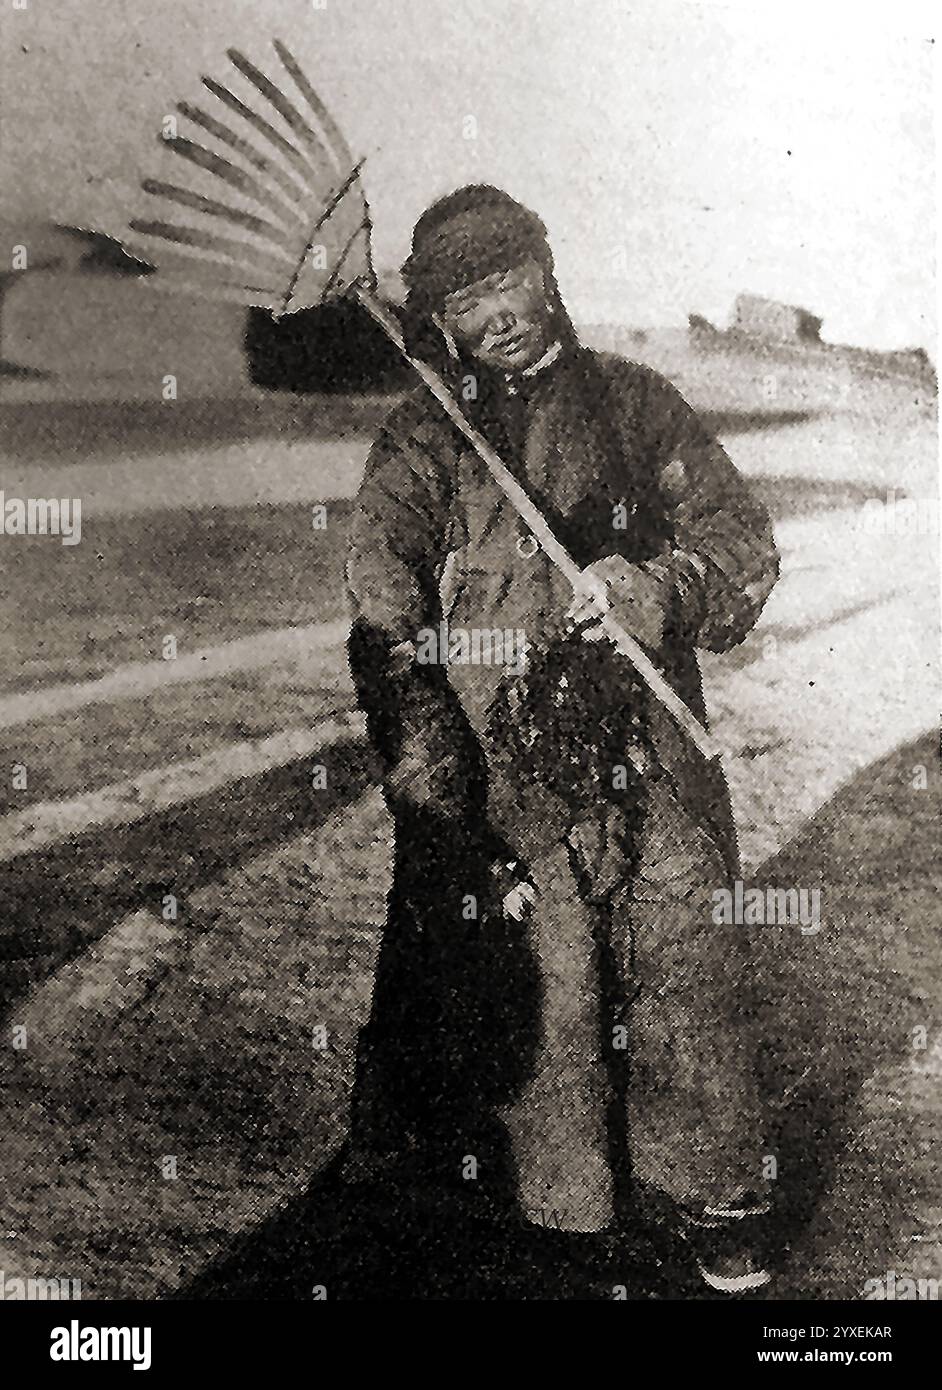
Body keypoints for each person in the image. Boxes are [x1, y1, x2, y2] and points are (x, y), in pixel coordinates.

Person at [343, 184, 780, 1294]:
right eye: (468, 299)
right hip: (509, 770)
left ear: (550, 272)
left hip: (654, 752)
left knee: (690, 954)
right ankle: (563, 1215)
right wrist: (432, 769)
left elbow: (741, 541)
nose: (500, 313)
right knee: (547, 988)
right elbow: (383, 605)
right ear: (438, 324)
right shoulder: (425, 439)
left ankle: (711, 1194)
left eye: (511, 279)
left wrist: (662, 586)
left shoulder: (640, 408)